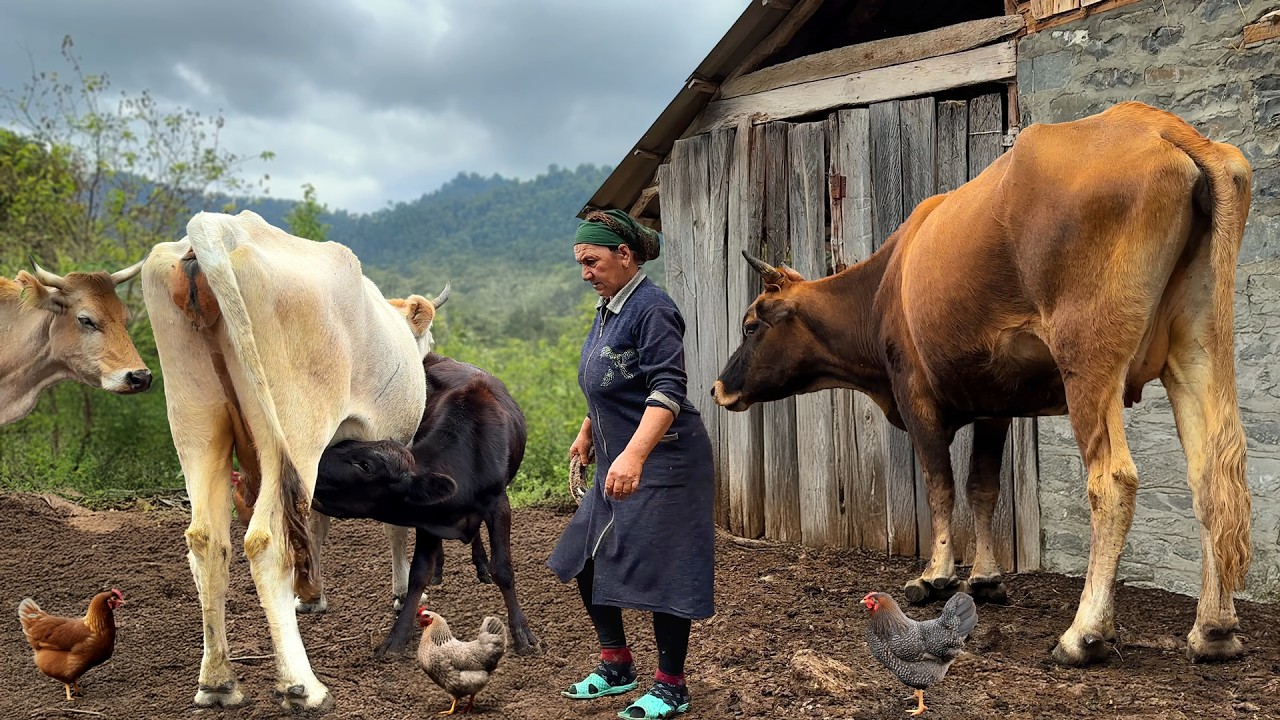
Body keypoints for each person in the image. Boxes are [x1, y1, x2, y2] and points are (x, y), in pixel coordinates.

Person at [548, 209, 715, 719]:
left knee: (665, 570)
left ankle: (672, 686)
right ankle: (617, 664)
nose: (585, 273)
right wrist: (587, 430)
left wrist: (635, 454)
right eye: (580, 262)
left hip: (665, 462)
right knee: (582, 554)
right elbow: (611, 380)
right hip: (618, 458)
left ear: (625, 255)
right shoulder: (609, 308)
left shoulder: (652, 309)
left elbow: (667, 389)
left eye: (593, 261)